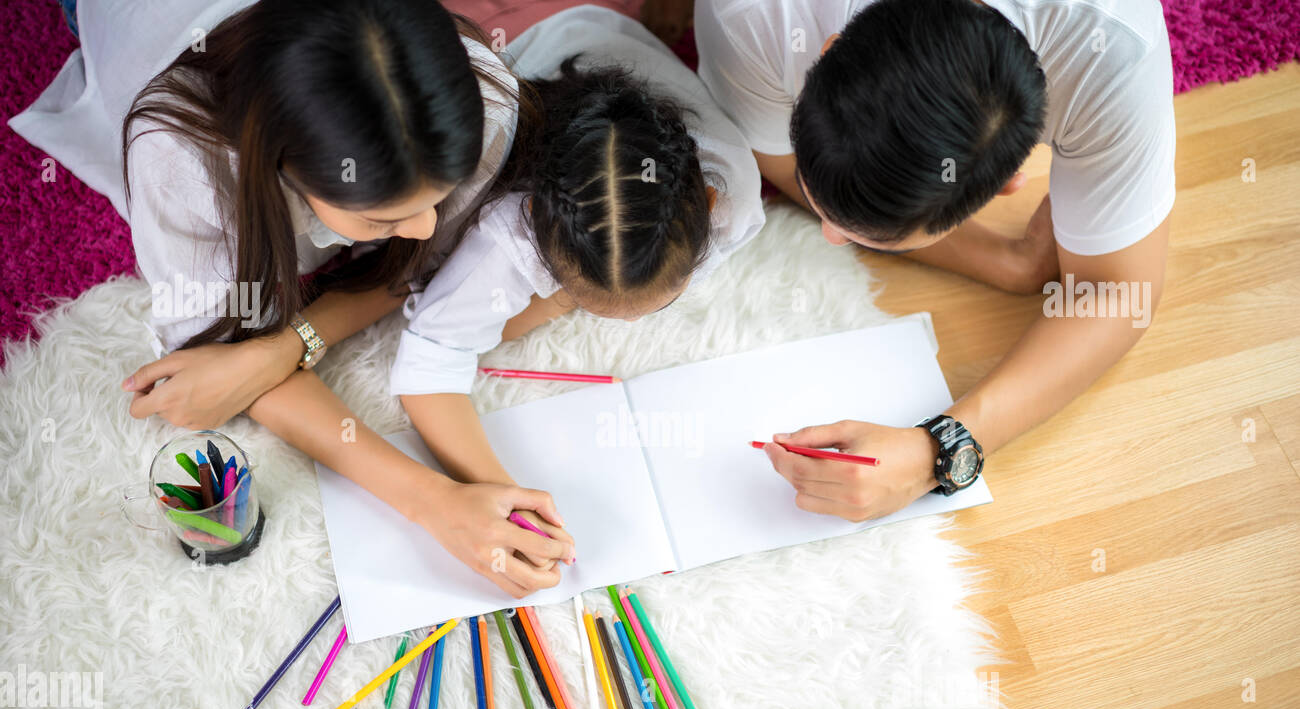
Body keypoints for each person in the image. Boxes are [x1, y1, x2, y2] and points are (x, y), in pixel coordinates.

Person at [11, 0, 575, 596]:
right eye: (386, 217)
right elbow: (215, 366)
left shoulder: (482, 93)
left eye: (437, 198)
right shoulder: (183, 160)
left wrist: (284, 347)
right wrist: (432, 502)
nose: (425, 230)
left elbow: (412, 275)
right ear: (280, 167)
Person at [695, 0, 1175, 521]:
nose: (829, 235)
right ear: (826, 54)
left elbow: (1120, 297)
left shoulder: (1111, 48)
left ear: (1010, 179)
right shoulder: (749, 14)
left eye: (876, 238)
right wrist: (1006, 261)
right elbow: (777, 161)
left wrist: (937, 450)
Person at [392, 6, 764, 505]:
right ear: (533, 228)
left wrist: (559, 301)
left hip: (597, 27)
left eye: (654, 303)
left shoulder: (734, 189)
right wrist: (503, 495)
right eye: (584, 302)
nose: (632, 325)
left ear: (711, 207)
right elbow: (430, 358)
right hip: (502, 35)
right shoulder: (510, 224)